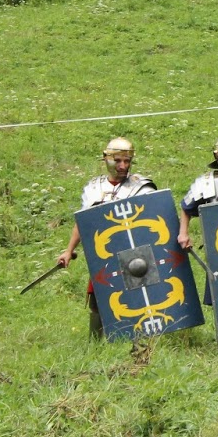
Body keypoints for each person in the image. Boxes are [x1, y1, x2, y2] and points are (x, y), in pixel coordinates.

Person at [55, 137, 161, 336]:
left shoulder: (141, 187)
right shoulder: (94, 188)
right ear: (106, 159)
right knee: (98, 301)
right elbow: (82, 222)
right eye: (118, 160)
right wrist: (69, 250)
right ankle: (96, 344)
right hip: (104, 253)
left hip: (134, 254)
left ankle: (140, 340)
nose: (123, 166)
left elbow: (154, 222)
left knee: (139, 299)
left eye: (127, 161)